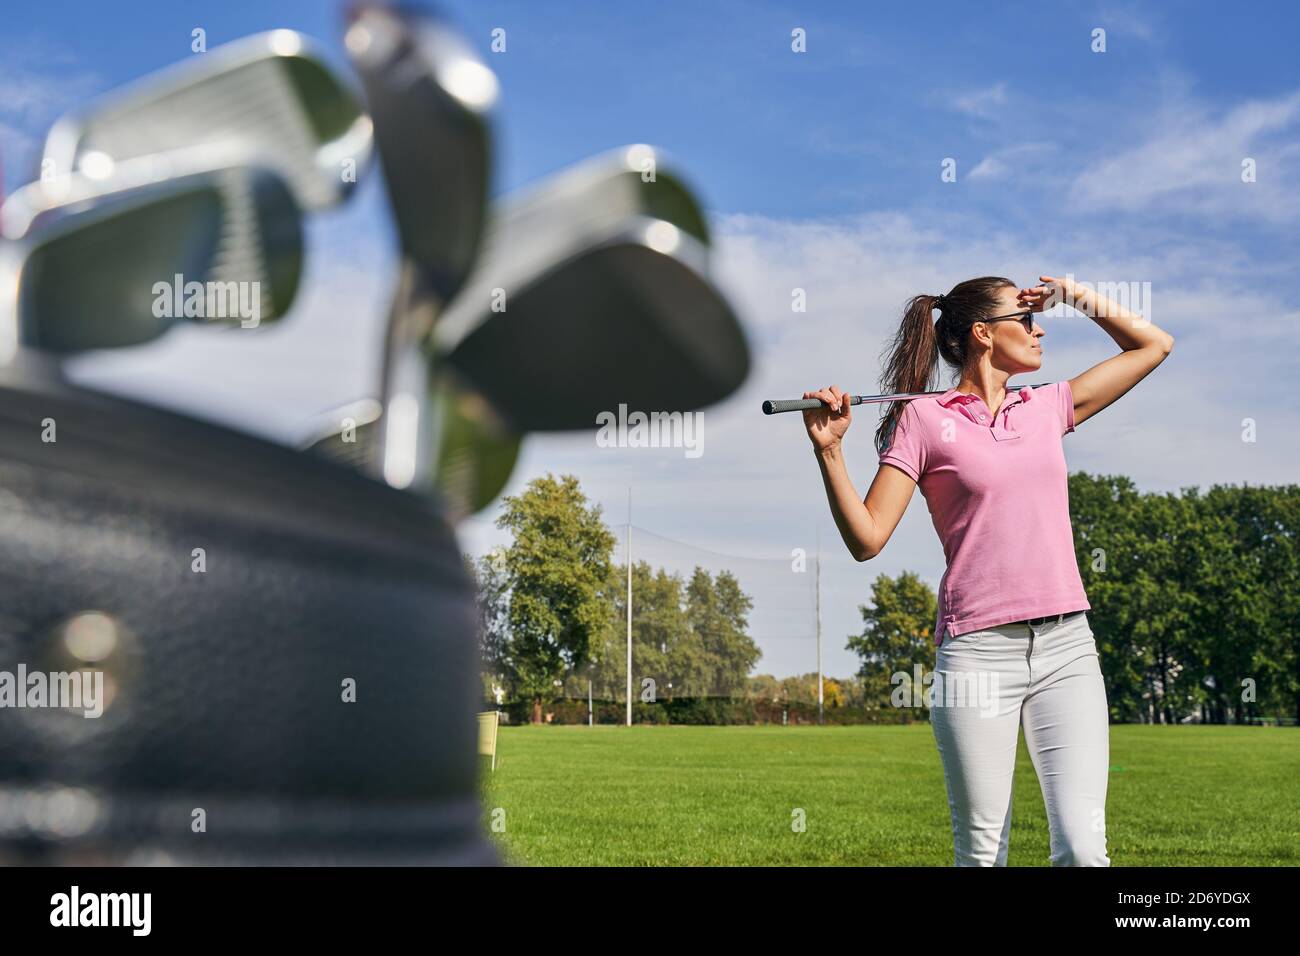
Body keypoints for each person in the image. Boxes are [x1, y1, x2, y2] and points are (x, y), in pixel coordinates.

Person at [804, 275, 1173, 866]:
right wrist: (829, 452)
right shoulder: (924, 420)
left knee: (1083, 850)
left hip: (1068, 649)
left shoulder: (1047, 406)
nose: (1038, 328)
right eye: (1024, 319)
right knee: (981, 855)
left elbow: (1153, 346)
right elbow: (868, 538)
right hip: (977, 654)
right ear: (983, 333)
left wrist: (1074, 294)